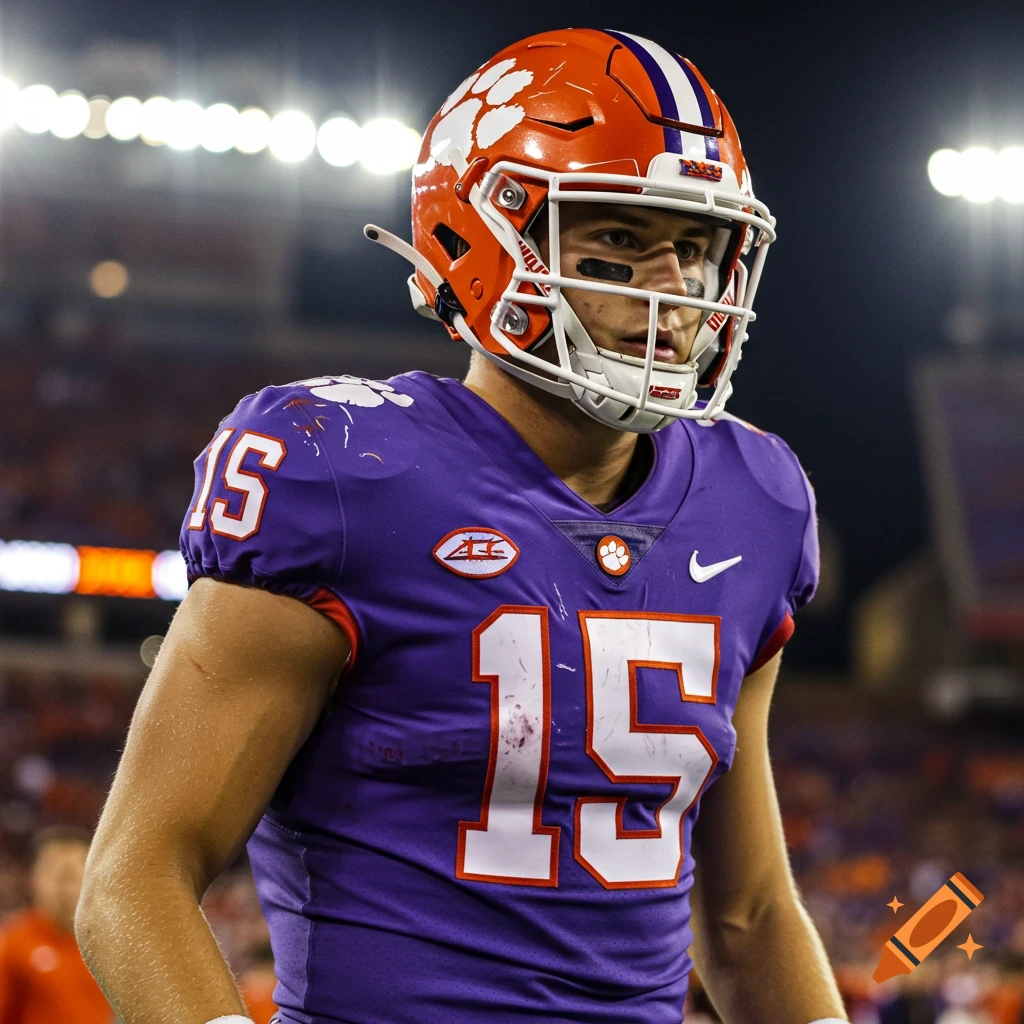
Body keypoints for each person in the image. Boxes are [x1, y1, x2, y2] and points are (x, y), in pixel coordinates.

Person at [76, 27, 850, 1024]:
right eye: (617, 240)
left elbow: (745, 915)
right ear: (482, 240)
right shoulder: (339, 471)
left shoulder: (756, 499)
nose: (672, 287)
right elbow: (134, 876)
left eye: (694, 248)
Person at [0, 826, 113, 1024]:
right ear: (33, 878)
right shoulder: (12, 944)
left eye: (73, 874)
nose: (65, 886)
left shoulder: (108, 946)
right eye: (55, 872)